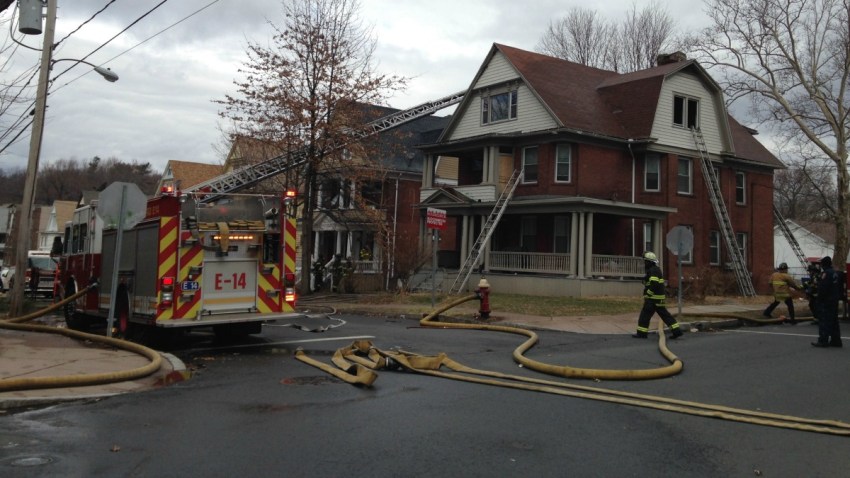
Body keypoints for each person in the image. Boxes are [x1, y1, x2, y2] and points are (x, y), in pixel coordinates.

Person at [633, 251, 683, 340]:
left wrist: (648, 293)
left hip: (652, 300)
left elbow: (654, 284)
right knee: (666, 316)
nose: (644, 263)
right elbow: (652, 281)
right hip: (658, 299)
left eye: (645, 261)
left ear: (649, 262)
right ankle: (676, 331)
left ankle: (641, 333)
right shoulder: (655, 270)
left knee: (644, 316)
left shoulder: (653, 270)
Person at [812, 256, 842, 348]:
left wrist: (819, 299)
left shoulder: (826, 273)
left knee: (824, 321)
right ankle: (836, 341)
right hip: (834, 300)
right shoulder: (834, 273)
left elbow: (823, 288)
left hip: (826, 301)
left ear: (824, 264)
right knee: (833, 321)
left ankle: (823, 341)